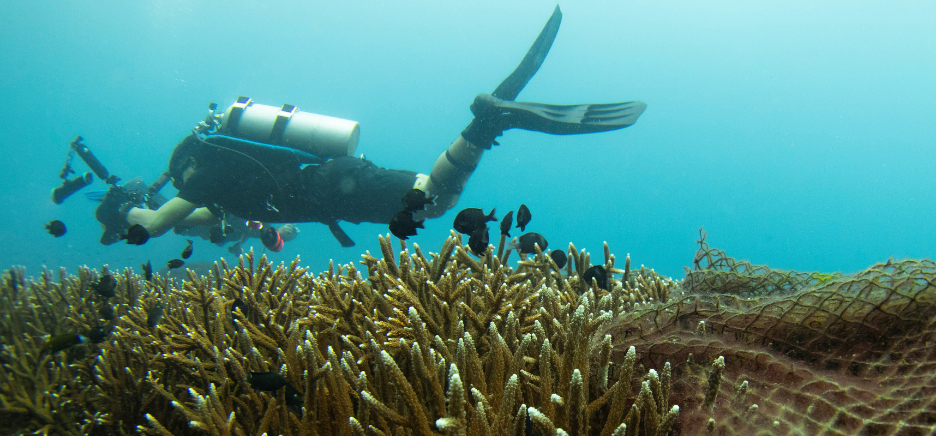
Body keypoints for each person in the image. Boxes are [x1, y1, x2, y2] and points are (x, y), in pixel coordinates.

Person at [94, 6, 645, 251]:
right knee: (435, 203)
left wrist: (130, 212)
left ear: (183, 168)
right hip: (337, 182)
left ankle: (488, 121)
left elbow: (160, 222)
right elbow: (201, 221)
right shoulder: (219, 181)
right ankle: (488, 123)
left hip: (335, 186)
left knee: (431, 203)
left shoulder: (201, 178)